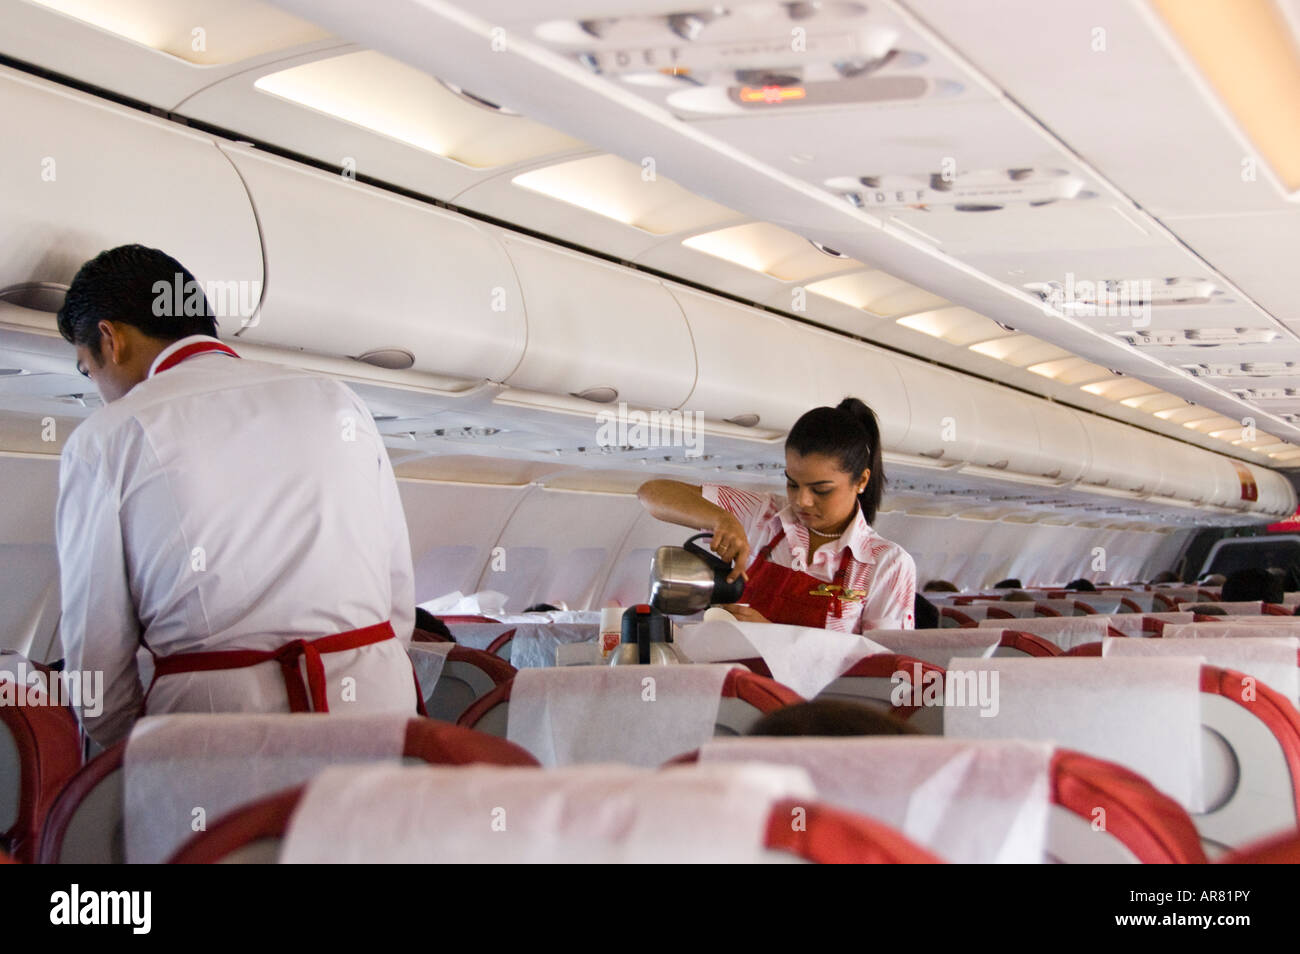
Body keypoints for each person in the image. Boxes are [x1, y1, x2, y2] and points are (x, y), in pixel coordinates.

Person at [55, 245, 418, 747]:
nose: (95, 386)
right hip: (379, 705)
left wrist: (141, 753)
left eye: (84, 370)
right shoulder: (337, 399)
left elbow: (96, 657)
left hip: (216, 731)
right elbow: (398, 598)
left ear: (109, 339)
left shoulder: (106, 437)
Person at [637, 397, 916, 631]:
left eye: (821, 490)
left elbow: (878, 667)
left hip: (823, 698)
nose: (802, 501)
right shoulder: (761, 514)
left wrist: (772, 637)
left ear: (861, 481)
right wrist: (721, 519)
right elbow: (652, 493)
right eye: (793, 484)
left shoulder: (887, 564)